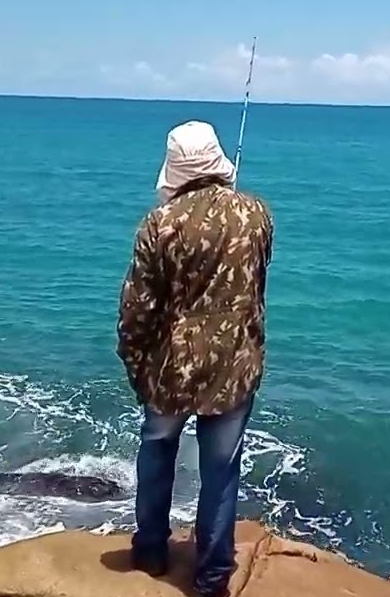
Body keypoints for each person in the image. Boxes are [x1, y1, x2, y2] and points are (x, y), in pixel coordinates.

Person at [116, 119, 274, 597]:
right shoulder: (257, 214)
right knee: (221, 470)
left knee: (158, 448)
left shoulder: (158, 224)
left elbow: (138, 306)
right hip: (234, 364)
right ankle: (211, 577)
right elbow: (253, 279)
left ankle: (150, 551)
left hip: (169, 367)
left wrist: (134, 361)